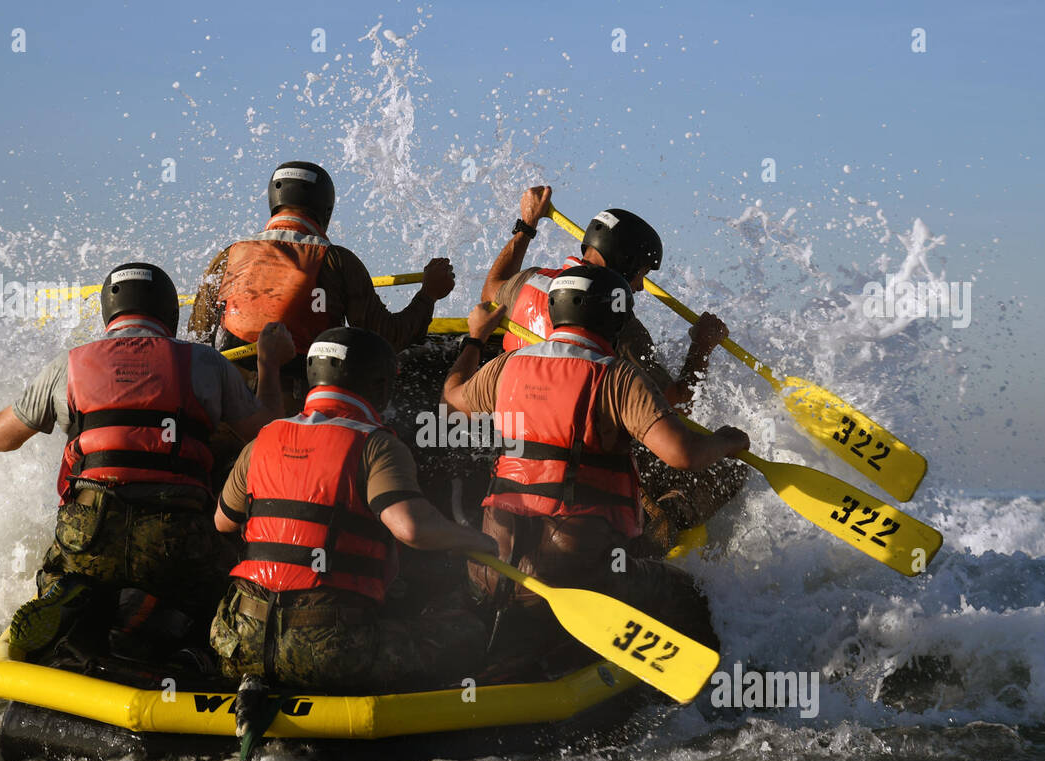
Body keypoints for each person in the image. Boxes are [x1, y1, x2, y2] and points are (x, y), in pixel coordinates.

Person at [443, 265, 750, 679]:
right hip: (572, 574)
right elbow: (683, 454)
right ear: (616, 317)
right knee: (689, 595)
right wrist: (729, 441)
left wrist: (475, 337)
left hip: (490, 571)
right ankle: (708, 695)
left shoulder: (506, 366)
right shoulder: (616, 376)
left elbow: (452, 399)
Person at [0, 262, 297, 655]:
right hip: (174, 536)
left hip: (89, 533)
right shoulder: (205, 363)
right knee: (212, 585)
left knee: (77, 565)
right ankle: (156, 625)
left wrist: (32, 400)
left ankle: (70, 591)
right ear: (169, 311)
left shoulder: (67, 365)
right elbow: (270, 434)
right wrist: (270, 364)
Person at [209, 326, 497, 696]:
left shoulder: (264, 437)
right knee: (465, 632)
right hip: (328, 652)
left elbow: (222, 520)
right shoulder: (376, 445)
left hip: (237, 640)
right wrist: (476, 540)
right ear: (377, 386)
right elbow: (411, 528)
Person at [480, 186, 745, 542]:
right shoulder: (619, 324)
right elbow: (677, 404)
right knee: (727, 468)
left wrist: (526, 225)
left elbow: (489, 292)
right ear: (623, 266)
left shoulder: (527, 283)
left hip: (519, 457)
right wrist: (702, 347)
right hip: (584, 469)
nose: (639, 288)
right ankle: (659, 535)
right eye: (641, 276)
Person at [186, 160, 457, 415]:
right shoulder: (337, 261)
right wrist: (428, 294)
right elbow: (387, 339)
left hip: (228, 404)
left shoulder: (228, 256)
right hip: (296, 408)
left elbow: (197, 337)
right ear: (326, 211)